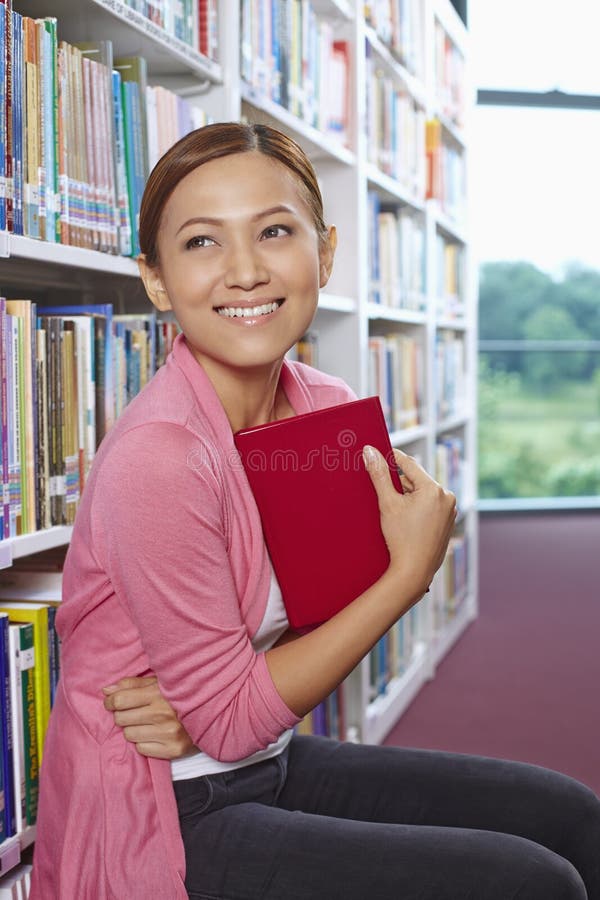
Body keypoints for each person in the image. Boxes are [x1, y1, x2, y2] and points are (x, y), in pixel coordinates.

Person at [31, 123, 600, 900]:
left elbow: (312, 633)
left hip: (264, 761)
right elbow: (239, 712)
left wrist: (218, 701)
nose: (244, 270)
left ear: (325, 253)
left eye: (274, 231)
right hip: (162, 805)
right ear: (157, 280)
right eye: (201, 243)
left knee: (574, 818)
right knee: (533, 884)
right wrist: (407, 576)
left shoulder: (327, 414)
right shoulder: (159, 459)